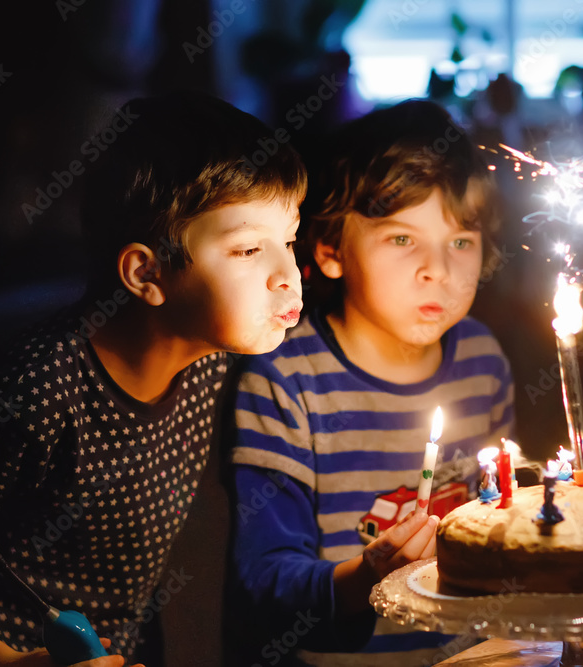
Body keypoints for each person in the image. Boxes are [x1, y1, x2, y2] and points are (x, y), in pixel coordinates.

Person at [0, 92, 307, 667]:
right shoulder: (33, 394)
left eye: (289, 241)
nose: (288, 274)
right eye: (249, 249)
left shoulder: (210, 360)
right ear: (146, 272)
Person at [224, 100, 515, 665]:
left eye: (461, 241)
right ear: (330, 250)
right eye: (402, 239)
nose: (438, 269)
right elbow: (263, 583)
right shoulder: (288, 378)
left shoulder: (483, 360)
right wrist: (372, 575)